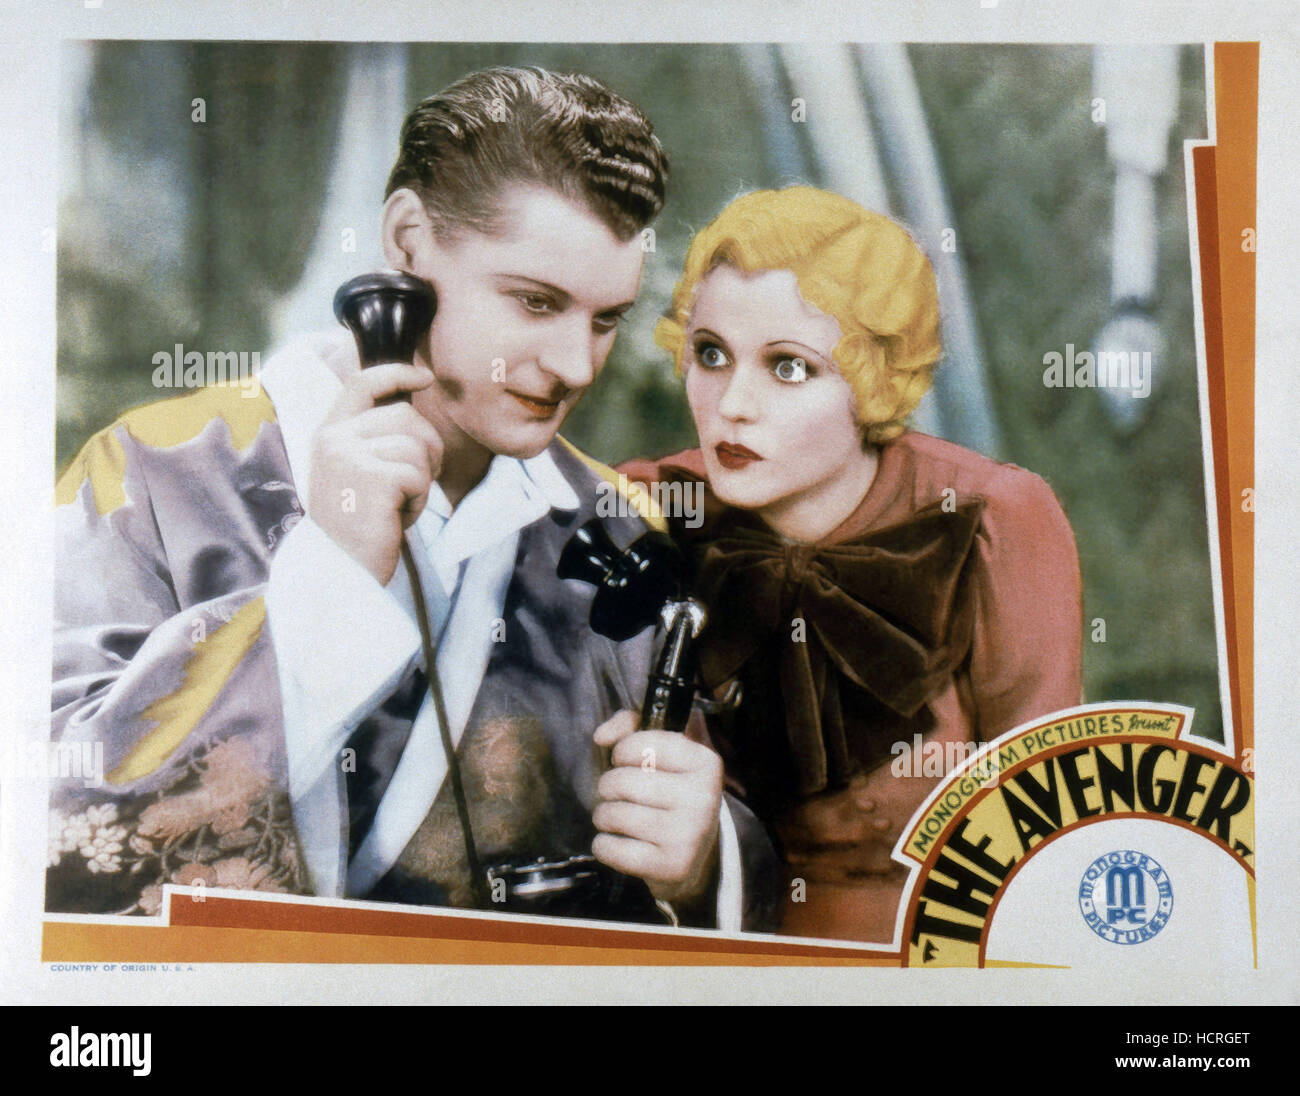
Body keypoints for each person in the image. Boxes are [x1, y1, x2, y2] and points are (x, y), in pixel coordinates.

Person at [48, 67, 780, 931]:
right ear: (406, 241)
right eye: (535, 301)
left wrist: (707, 864)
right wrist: (332, 577)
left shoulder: (617, 525)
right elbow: (53, 839)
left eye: (605, 318)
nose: (576, 366)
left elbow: (729, 831)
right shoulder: (151, 476)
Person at [620, 187, 1083, 943]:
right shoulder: (649, 507)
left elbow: (1049, 843)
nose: (731, 404)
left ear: (871, 379)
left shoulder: (996, 520)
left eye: (788, 368)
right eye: (710, 354)